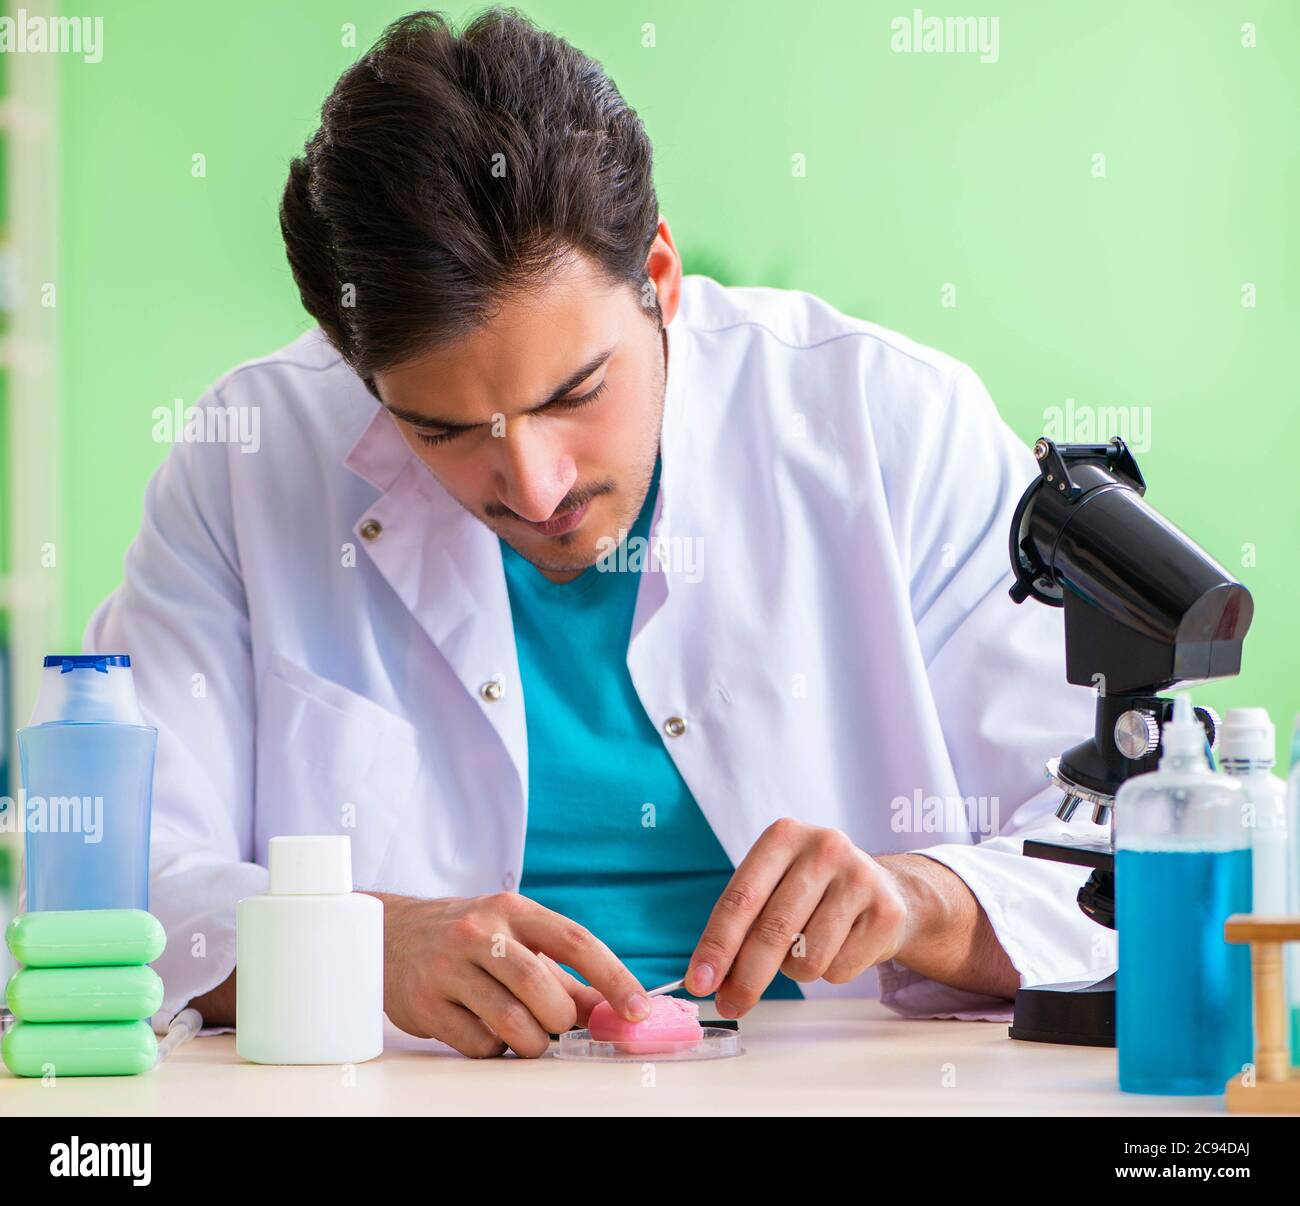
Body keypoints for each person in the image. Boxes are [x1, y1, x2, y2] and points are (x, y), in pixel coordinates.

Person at [89, 8, 1109, 1059]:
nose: (535, 487)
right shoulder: (246, 460)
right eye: (443, 429)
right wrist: (354, 946)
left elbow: (1128, 843)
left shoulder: (888, 422)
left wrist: (925, 899)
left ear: (658, 279)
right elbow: (111, 881)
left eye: (575, 392)